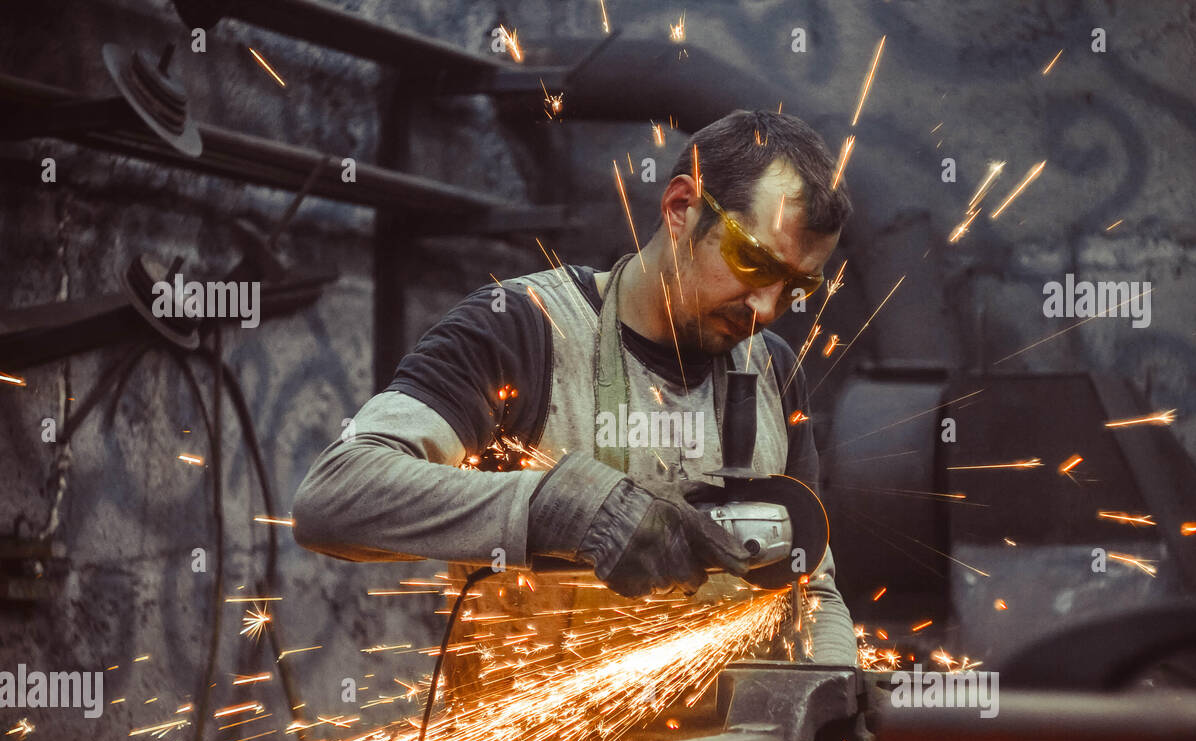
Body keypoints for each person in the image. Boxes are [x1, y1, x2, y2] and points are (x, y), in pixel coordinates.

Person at [291, 109, 857, 667]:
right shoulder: (524, 328)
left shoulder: (773, 371)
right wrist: (558, 509)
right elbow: (334, 495)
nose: (767, 308)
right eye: (753, 263)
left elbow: (811, 587)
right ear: (682, 207)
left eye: (795, 286)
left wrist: (834, 699)